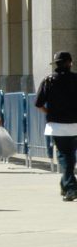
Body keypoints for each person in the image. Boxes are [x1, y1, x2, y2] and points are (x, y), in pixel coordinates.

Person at [35, 51, 77, 201]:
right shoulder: (75, 79)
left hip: (56, 125)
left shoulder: (48, 80)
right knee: (69, 155)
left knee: (64, 155)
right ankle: (66, 185)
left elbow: (38, 103)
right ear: (70, 63)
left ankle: (70, 187)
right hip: (74, 124)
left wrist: (49, 113)